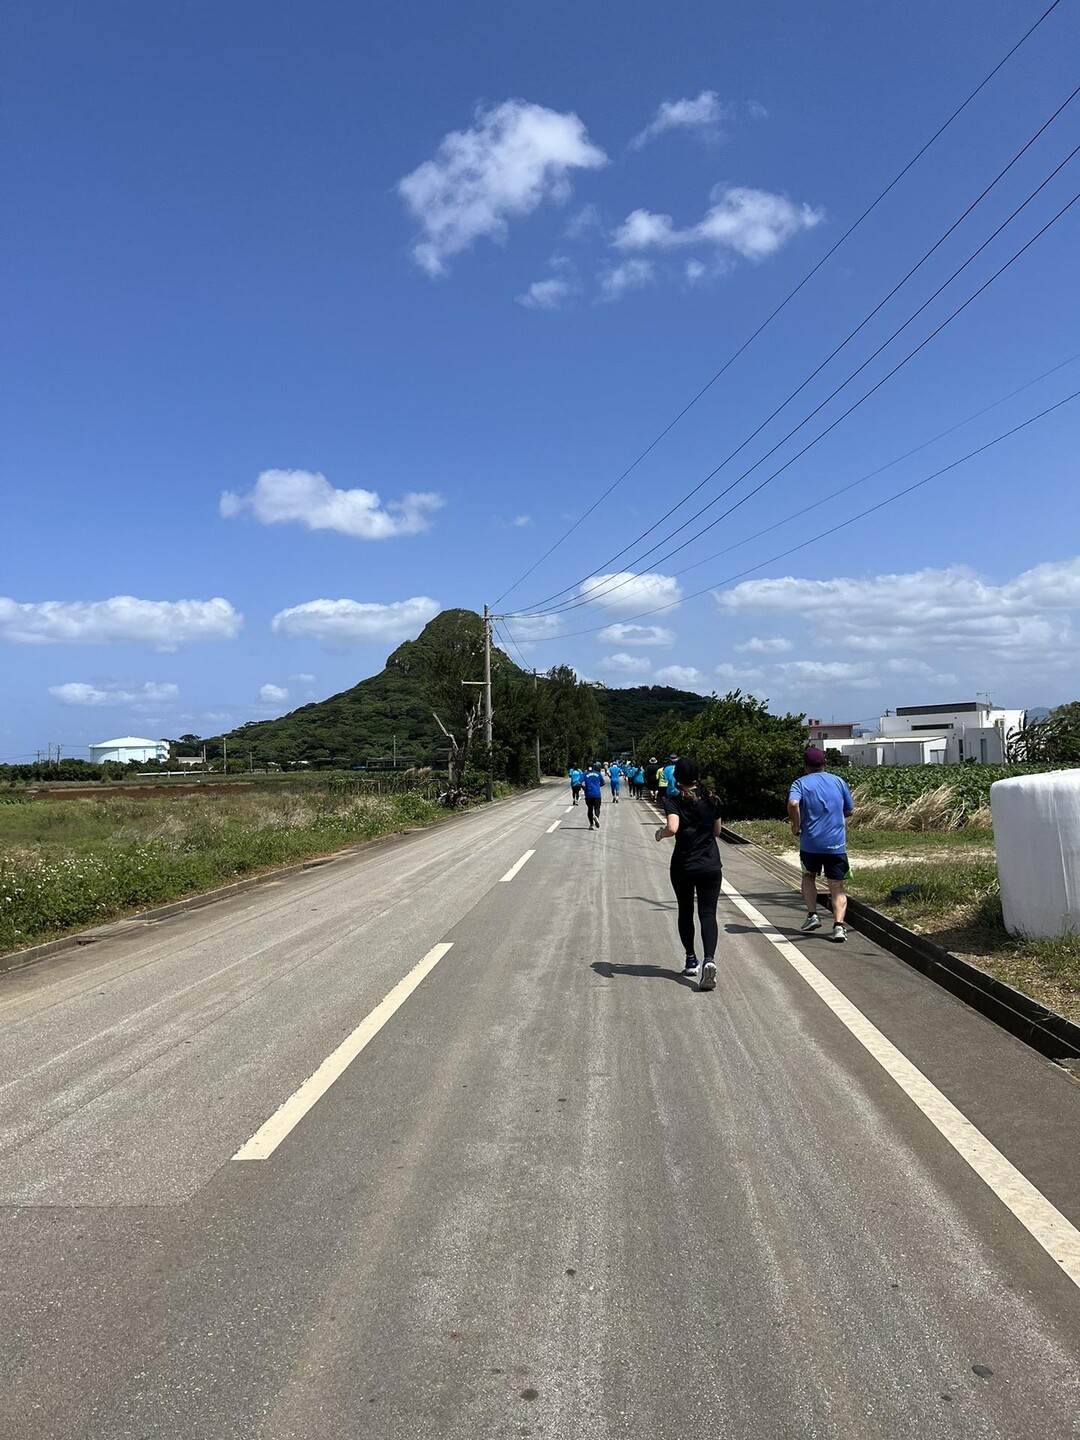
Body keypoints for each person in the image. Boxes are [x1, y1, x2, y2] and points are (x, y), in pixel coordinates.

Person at [655, 757, 722, 990]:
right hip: (710, 864)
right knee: (708, 914)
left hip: (683, 865)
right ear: (698, 775)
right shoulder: (712, 798)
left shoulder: (673, 801)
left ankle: (691, 959)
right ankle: (709, 959)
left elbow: (673, 828)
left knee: (685, 910)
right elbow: (717, 831)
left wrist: (660, 834)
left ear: (677, 778)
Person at [788, 746, 855, 943]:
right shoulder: (838, 781)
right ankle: (839, 926)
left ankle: (812, 915)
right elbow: (849, 810)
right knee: (837, 885)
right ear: (824, 763)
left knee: (808, 877)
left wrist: (796, 826)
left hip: (810, 843)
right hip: (836, 844)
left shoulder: (799, 783)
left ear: (805, 765)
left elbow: (793, 804)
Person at [583, 763, 605, 829]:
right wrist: (598, 786)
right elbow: (603, 783)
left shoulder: (585, 774)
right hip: (597, 794)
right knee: (597, 808)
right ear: (593, 767)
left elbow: (579, 782)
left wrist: (584, 788)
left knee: (590, 809)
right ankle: (596, 817)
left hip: (588, 794)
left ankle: (591, 824)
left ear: (587, 767)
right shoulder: (598, 774)